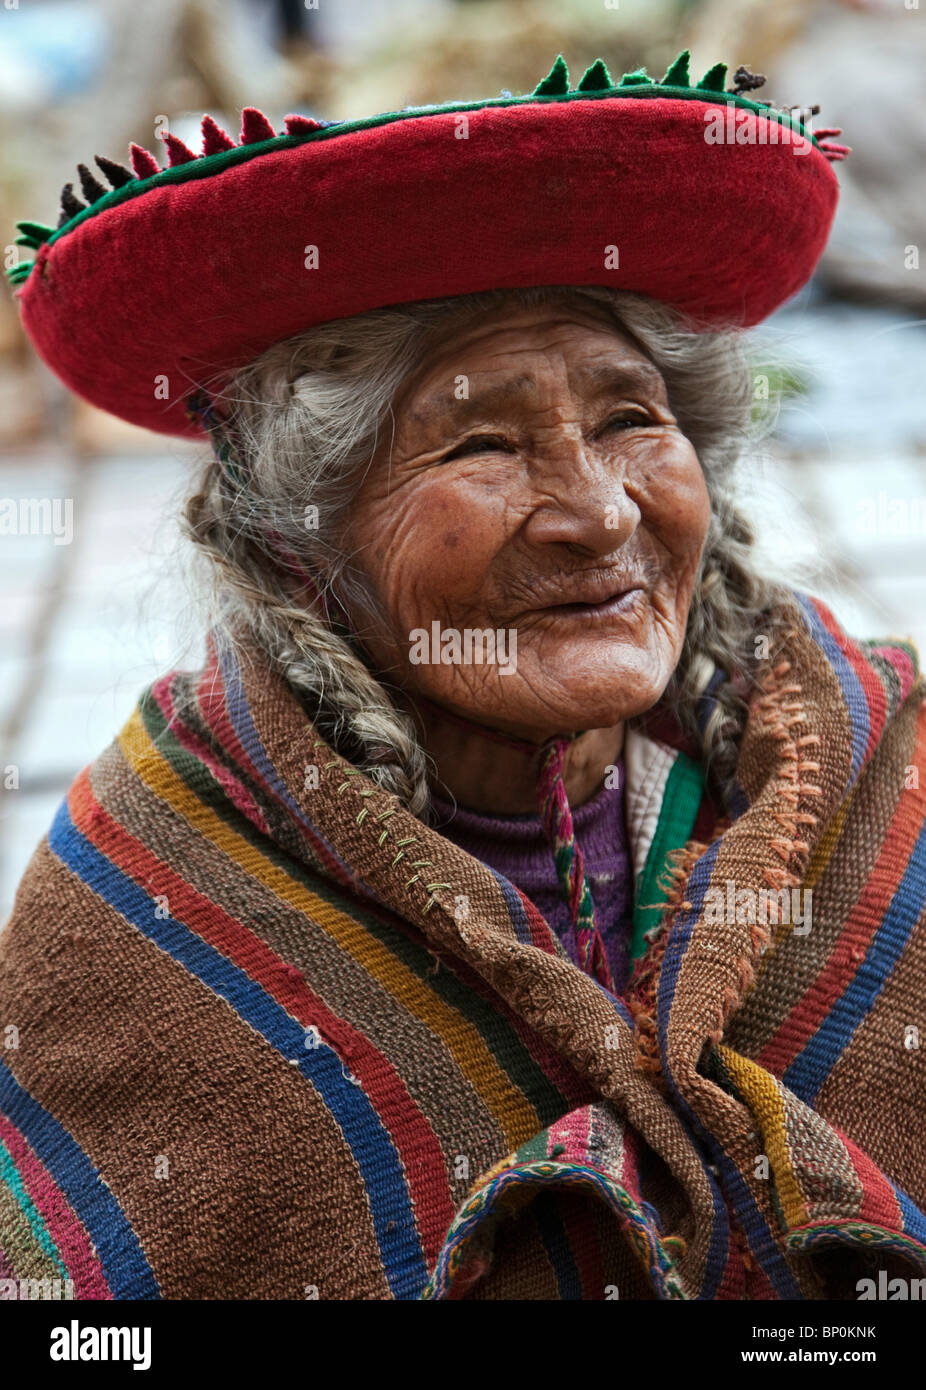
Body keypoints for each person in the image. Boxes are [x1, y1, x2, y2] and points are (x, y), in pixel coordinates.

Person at [2, 53, 922, 1302]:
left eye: (629, 421)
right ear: (300, 536)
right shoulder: (161, 885)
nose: (597, 515)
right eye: (480, 440)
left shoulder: (876, 768)